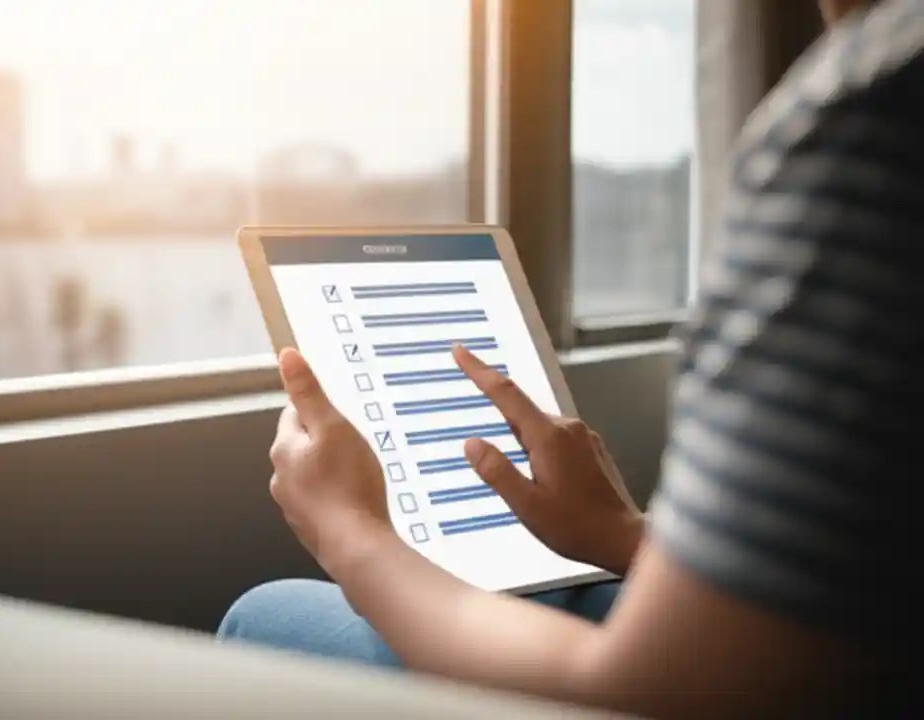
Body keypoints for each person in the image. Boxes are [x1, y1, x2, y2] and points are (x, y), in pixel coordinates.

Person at [218, 0, 921, 716]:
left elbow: (653, 700)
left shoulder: (877, 106)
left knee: (265, 614)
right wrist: (623, 537)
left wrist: (348, 530)